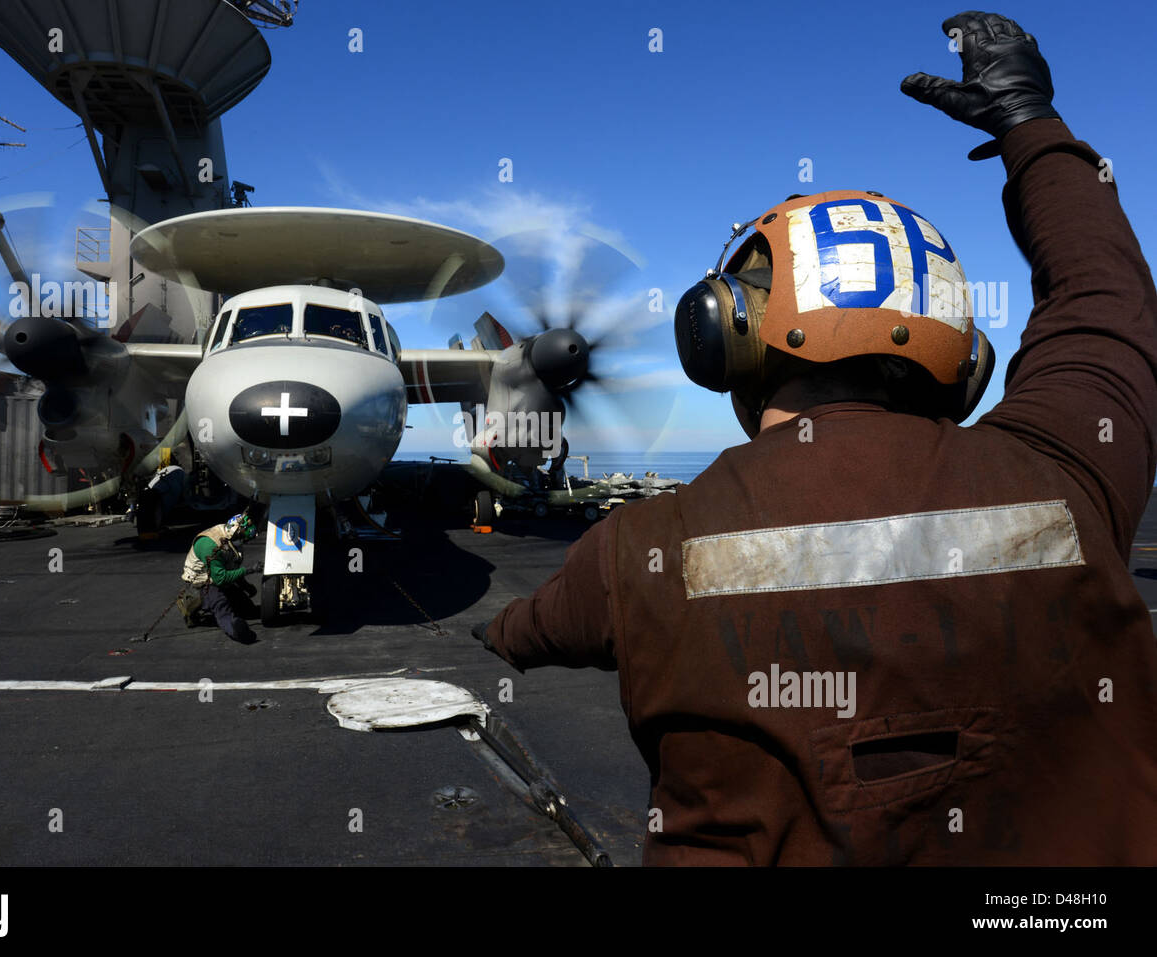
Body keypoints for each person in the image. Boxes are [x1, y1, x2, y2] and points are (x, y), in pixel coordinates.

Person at [472, 11, 1157, 865]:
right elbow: (1104, 297)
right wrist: (1033, 125)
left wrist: (495, 637)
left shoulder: (636, 552)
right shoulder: (1072, 475)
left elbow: (534, 628)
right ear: (965, 354)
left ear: (725, 333)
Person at [179, 513, 260, 644]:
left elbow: (232, 567)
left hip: (219, 577)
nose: (247, 540)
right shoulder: (211, 546)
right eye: (245, 536)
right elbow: (220, 579)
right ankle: (236, 631)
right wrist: (250, 570)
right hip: (204, 583)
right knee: (221, 606)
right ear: (237, 530)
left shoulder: (231, 539)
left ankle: (238, 613)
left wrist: (246, 586)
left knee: (249, 610)